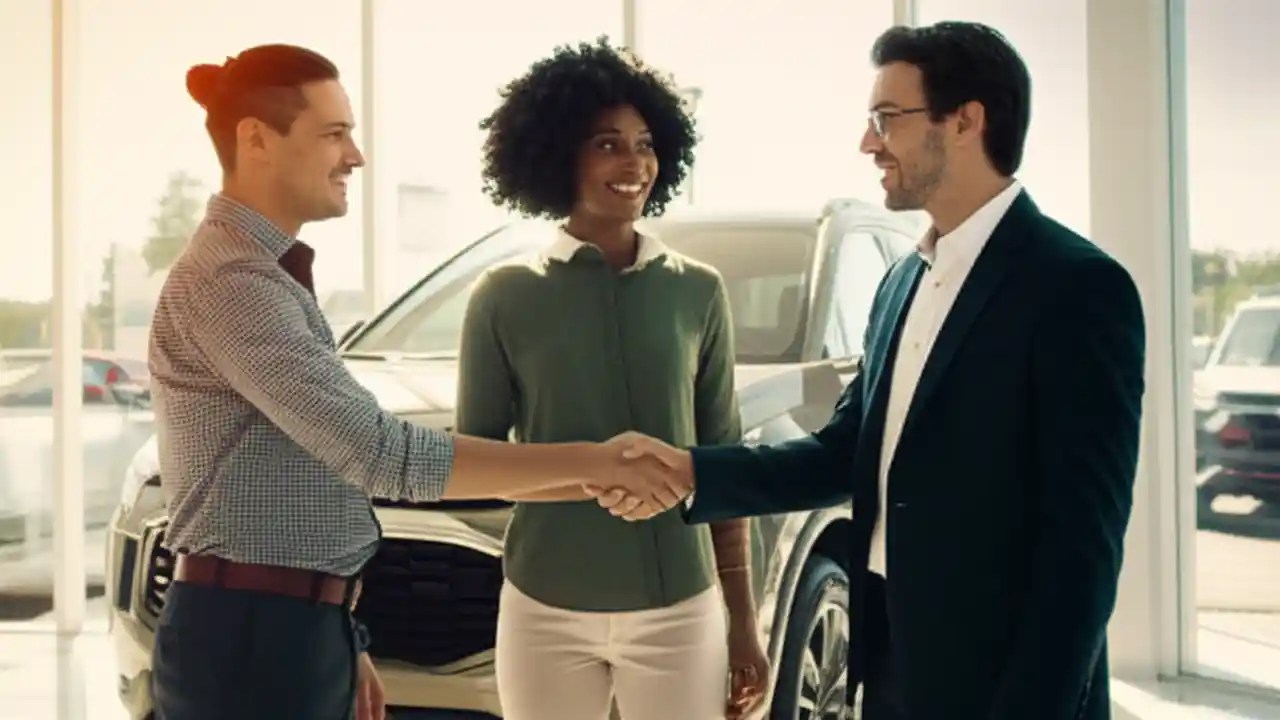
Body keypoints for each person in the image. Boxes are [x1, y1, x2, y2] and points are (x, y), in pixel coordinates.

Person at [590, 22, 1147, 720]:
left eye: (887, 118)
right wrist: (688, 473)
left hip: (1005, 687)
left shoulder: (1078, 288)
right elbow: (847, 453)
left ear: (966, 120)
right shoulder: (901, 284)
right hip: (891, 666)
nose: (867, 142)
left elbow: (1082, 549)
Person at [149, 44, 684, 720]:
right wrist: (601, 465)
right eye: (335, 133)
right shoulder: (234, 283)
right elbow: (380, 455)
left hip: (292, 627)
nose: (356, 156)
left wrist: (345, 632)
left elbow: (311, 483)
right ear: (256, 140)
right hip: (250, 642)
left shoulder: (265, 273)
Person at [455, 38, 770, 720]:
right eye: (608, 145)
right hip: (544, 608)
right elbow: (472, 463)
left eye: (646, 144)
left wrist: (742, 618)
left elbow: (726, 463)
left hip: (681, 611)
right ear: (558, 154)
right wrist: (602, 473)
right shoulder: (502, 295)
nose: (635, 165)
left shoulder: (698, 292)